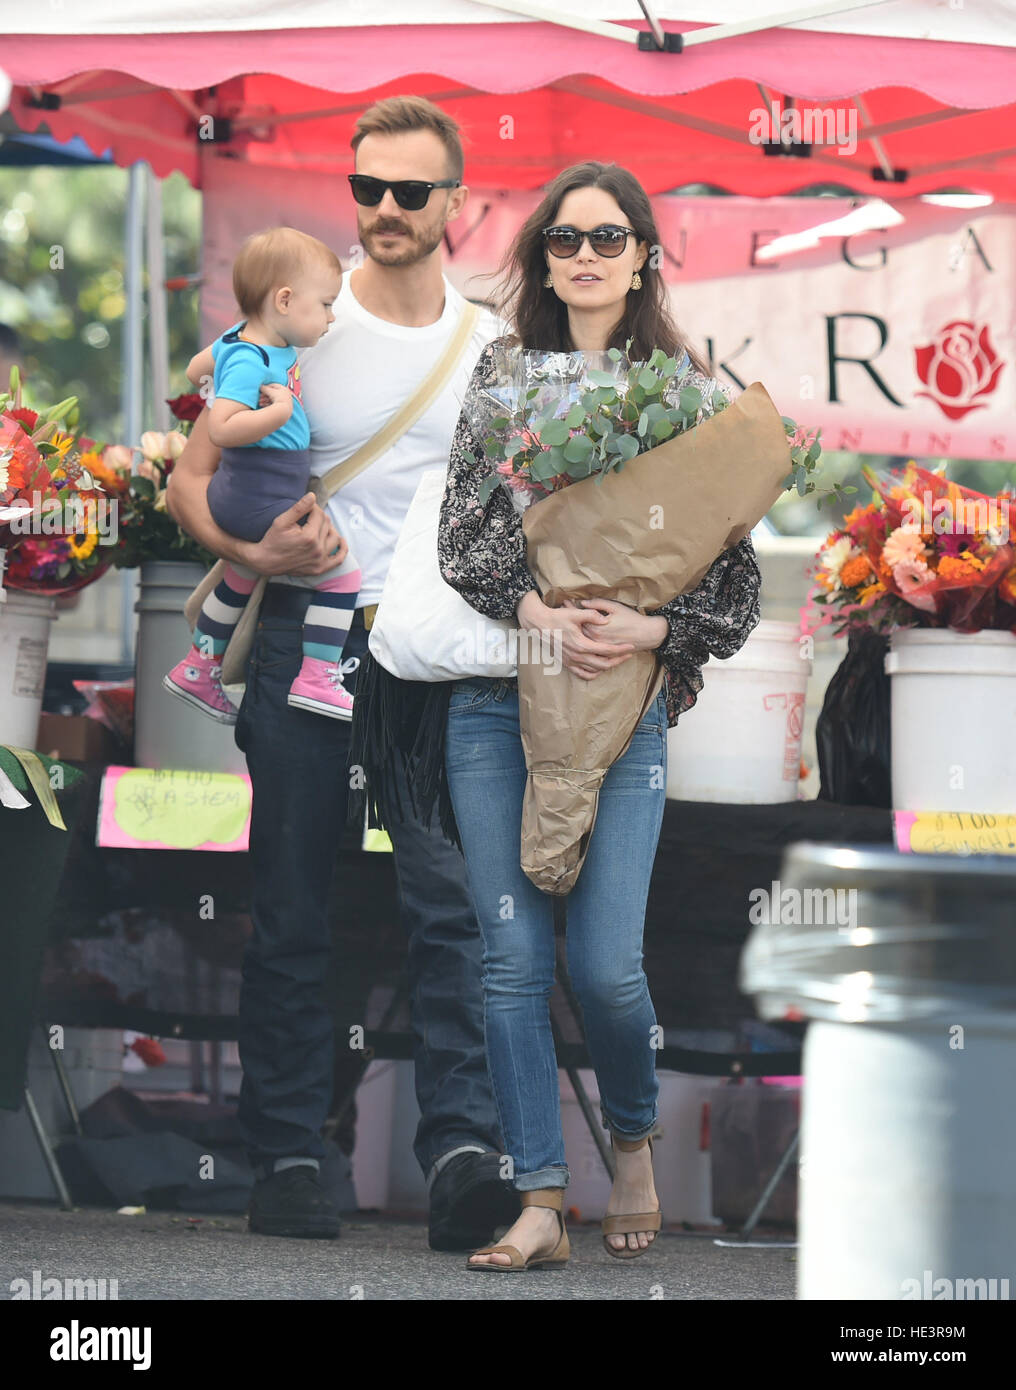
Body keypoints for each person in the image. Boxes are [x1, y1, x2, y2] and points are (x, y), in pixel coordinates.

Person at [167, 95, 519, 1249]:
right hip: (300, 631)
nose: (382, 211)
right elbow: (188, 474)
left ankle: (461, 1149)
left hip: (431, 652)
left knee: (447, 905)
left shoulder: (490, 348)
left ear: (454, 202)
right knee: (290, 903)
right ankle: (283, 1150)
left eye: (409, 192)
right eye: (366, 187)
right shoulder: (298, 319)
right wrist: (245, 549)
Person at [434, 162, 763, 1270]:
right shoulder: (500, 372)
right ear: (539, 255)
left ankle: (630, 1136)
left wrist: (648, 632)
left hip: (625, 713)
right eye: (564, 238)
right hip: (495, 704)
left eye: (608, 238)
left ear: (643, 256)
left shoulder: (680, 390)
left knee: (607, 970)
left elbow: (731, 585)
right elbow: (460, 539)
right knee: (510, 962)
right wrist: (531, 606)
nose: (584, 254)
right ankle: (537, 1198)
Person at [165, 227, 362, 722]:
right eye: (325, 304)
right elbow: (225, 430)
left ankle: (198, 664)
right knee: (343, 578)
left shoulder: (238, 341)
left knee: (242, 573)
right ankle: (317, 678)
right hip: (262, 490)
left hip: (247, 491)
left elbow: (194, 370)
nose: (332, 316)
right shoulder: (252, 360)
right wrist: (275, 414)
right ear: (285, 300)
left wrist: (221, 378)